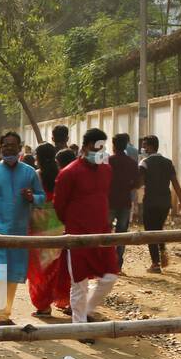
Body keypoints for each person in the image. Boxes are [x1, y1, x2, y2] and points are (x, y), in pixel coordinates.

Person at [0, 131, 45, 325]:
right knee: (0, 273)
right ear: (0, 148)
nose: (9, 149)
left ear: (20, 148)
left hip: (20, 233)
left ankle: (4, 312)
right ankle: (1, 315)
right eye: (5, 146)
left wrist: (33, 198)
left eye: (13, 146)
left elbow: (42, 198)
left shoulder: (29, 172)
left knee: (13, 273)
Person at [53, 128, 119, 331]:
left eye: (102, 146)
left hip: (102, 233)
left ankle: (87, 310)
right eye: (96, 146)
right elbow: (59, 205)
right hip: (77, 236)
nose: (99, 150)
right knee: (79, 283)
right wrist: (74, 224)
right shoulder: (69, 173)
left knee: (110, 276)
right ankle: (80, 327)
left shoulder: (107, 171)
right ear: (84, 147)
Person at [27, 142, 71, 317]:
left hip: (39, 224)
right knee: (56, 265)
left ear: (37, 158)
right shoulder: (61, 175)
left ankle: (43, 305)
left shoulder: (36, 175)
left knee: (39, 268)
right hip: (58, 223)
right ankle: (63, 300)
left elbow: (32, 199)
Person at [139, 135, 181, 273]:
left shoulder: (144, 163)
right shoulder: (168, 162)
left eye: (145, 145)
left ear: (151, 146)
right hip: (165, 202)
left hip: (150, 202)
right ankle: (162, 252)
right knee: (159, 228)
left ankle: (155, 264)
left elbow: (140, 182)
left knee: (150, 231)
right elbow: (175, 182)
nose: (143, 148)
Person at [107, 133, 141, 272]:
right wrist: (127, 187)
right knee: (122, 234)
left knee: (105, 232)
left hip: (109, 202)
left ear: (113, 145)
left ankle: (106, 263)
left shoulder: (107, 161)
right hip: (125, 202)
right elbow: (138, 183)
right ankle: (118, 264)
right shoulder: (131, 163)